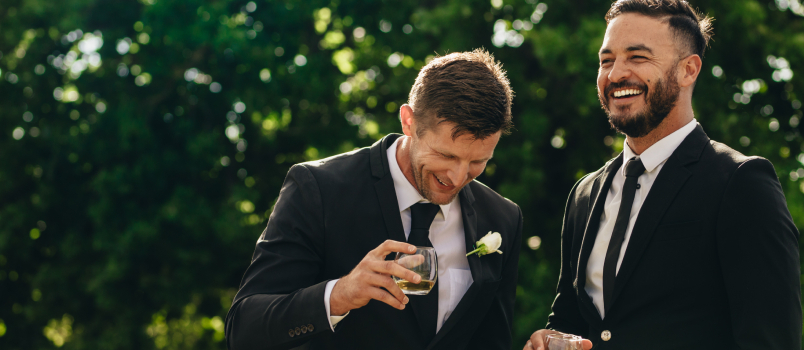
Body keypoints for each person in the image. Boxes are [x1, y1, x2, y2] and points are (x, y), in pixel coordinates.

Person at [525, 1, 801, 349]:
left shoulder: (742, 183)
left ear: (688, 70)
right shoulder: (585, 194)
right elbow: (571, 321)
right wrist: (550, 339)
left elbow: (771, 340)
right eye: (606, 60)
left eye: (637, 57)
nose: (615, 74)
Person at [226, 49, 523, 350]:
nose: (458, 178)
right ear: (409, 122)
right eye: (446, 155)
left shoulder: (503, 218)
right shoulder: (318, 189)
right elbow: (244, 328)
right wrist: (339, 294)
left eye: (477, 161)